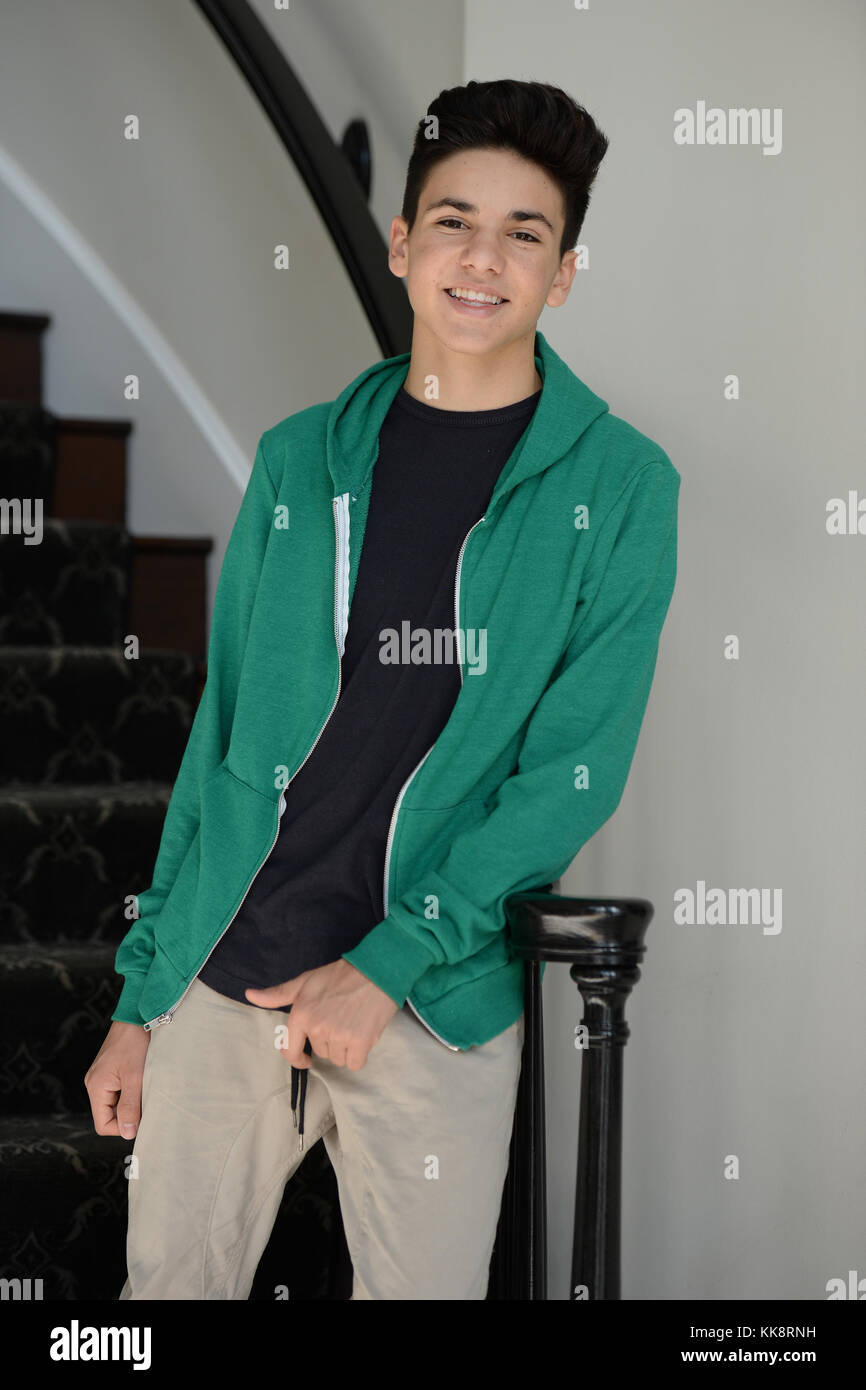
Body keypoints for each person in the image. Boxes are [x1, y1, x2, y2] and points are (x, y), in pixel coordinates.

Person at [84, 78, 680, 1300]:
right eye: (453, 220)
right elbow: (225, 736)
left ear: (562, 273)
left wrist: (394, 959)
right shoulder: (299, 458)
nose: (483, 257)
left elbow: (573, 768)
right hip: (222, 969)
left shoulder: (621, 487)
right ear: (401, 244)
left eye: (525, 233)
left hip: (430, 997)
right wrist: (144, 995)